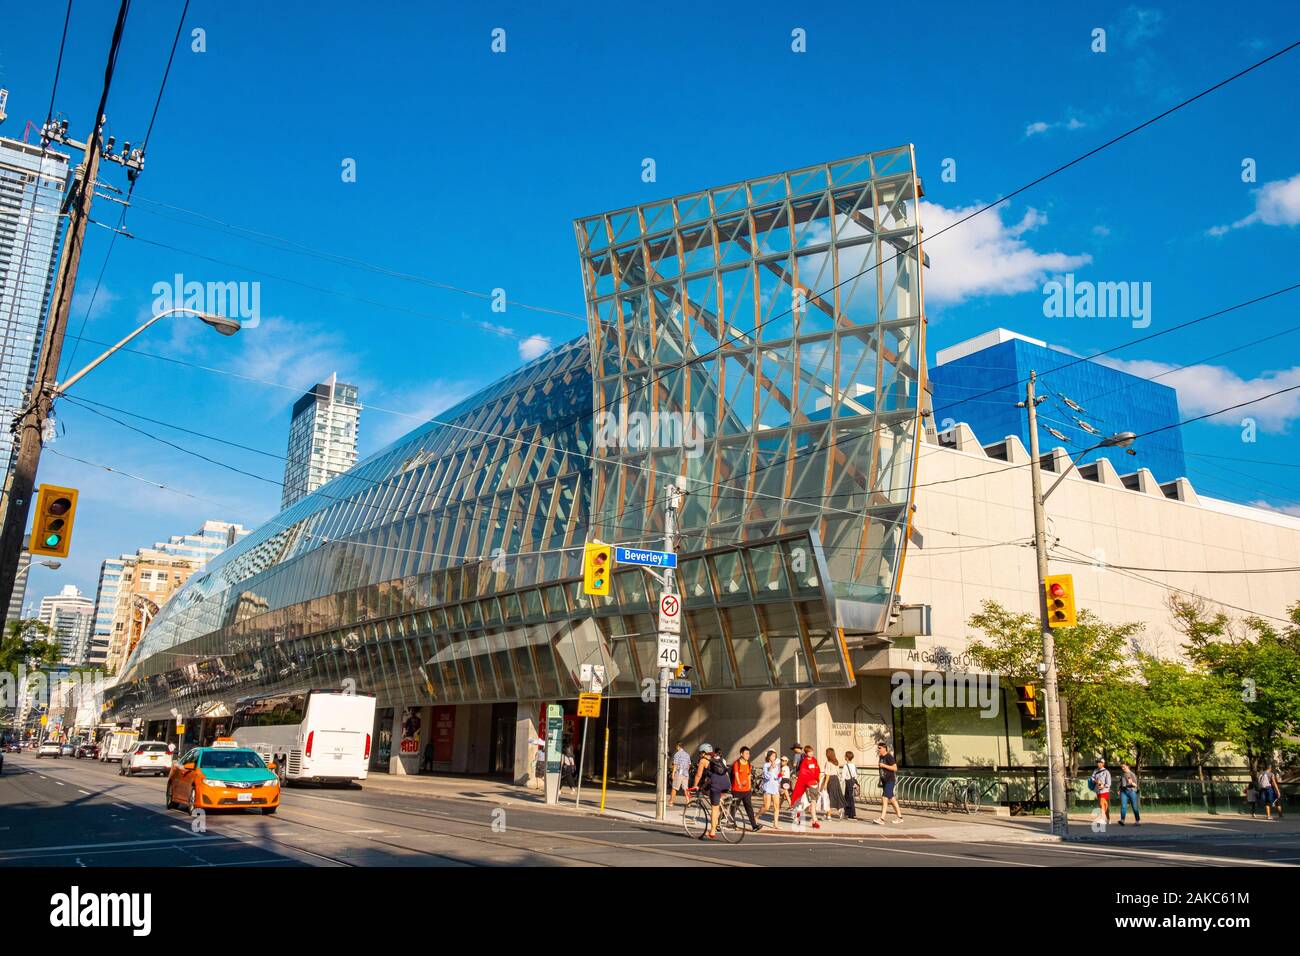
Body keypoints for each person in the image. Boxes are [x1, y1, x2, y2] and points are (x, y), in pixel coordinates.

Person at [692, 743, 732, 840]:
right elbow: (725, 771)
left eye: (700, 753)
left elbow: (698, 775)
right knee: (710, 793)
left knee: (714, 808)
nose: (700, 755)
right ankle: (721, 800)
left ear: (703, 752)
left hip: (716, 784)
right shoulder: (718, 757)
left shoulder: (703, 760)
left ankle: (712, 831)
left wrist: (694, 786)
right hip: (726, 783)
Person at [789, 744, 822, 829]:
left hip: (814, 784)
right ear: (806, 753)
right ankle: (814, 821)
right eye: (809, 752)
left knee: (812, 803)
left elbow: (818, 770)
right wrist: (806, 784)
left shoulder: (814, 760)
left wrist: (817, 780)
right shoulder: (805, 761)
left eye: (812, 751)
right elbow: (803, 773)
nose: (811, 753)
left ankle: (802, 816)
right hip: (807, 785)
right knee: (809, 803)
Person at [731, 746, 762, 831]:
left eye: (749, 753)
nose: (748, 755)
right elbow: (736, 776)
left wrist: (749, 787)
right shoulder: (736, 763)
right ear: (741, 754)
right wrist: (740, 784)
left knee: (749, 808)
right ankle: (727, 823)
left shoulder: (748, 764)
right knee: (734, 808)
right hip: (737, 790)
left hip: (746, 791)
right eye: (746, 753)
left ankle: (754, 826)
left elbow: (748, 776)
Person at [875, 742, 902, 824]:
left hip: (890, 780)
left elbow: (895, 768)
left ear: (884, 748)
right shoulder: (881, 757)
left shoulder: (889, 756)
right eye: (878, 748)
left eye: (879, 748)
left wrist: (883, 766)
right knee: (892, 799)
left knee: (884, 798)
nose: (878, 749)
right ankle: (900, 817)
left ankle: (882, 819)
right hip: (884, 781)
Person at [759, 750, 782, 830]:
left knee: (777, 807)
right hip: (768, 788)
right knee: (766, 807)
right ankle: (756, 816)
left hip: (775, 787)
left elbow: (777, 777)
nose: (774, 757)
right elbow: (766, 776)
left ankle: (775, 824)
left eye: (775, 756)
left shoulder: (777, 765)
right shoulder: (766, 765)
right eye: (772, 756)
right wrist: (771, 768)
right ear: (768, 757)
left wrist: (780, 775)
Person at [821, 748, 844, 819]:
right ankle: (839, 810)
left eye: (826, 753)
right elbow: (837, 772)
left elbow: (827, 774)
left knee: (829, 797)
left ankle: (829, 814)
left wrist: (825, 784)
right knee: (836, 795)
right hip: (836, 779)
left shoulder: (828, 763)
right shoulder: (836, 762)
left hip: (830, 780)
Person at [1090, 759, 1112, 825]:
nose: (1098, 764)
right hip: (1098, 791)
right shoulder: (1095, 771)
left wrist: (1103, 786)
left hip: (1105, 790)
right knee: (1102, 805)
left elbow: (1109, 783)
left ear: (1103, 763)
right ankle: (1108, 818)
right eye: (1097, 762)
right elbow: (1092, 778)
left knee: (1102, 803)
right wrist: (1096, 781)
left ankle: (1102, 818)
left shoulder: (1106, 772)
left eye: (1100, 762)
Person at [670, 742, 692, 807]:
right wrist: (686, 771)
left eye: (676, 746)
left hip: (679, 773)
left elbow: (675, 765)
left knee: (674, 788)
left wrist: (673, 773)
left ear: (678, 746)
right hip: (686, 774)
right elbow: (689, 765)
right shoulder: (687, 754)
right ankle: (688, 802)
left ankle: (671, 801)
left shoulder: (677, 754)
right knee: (686, 789)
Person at [841, 750, 859, 820]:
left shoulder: (846, 766)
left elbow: (843, 776)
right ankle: (848, 813)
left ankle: (851, 814)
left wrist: (840, 783)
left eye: (845, 756)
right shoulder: (854, 765)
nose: (844, 757)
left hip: (848, 782)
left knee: (848, 798)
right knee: (849, 797)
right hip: (853, 781)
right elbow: (856, 775)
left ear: (847, 758)